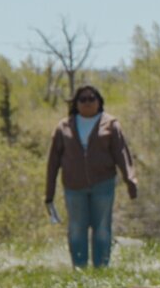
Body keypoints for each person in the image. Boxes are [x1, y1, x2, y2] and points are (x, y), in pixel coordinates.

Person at [44, 85, 139, 269]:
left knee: (102, 229)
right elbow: (53, 161)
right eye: (83, 99)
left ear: (99, 101)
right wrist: (49, 192)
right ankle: (79, 269)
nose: (87, 102)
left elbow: (122, 153)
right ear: (76, 104)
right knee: (77, 229)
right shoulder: (64, 127)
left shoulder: (111, 124)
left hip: (103, 184)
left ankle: (101, 268)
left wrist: (130, 179)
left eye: (91, 98)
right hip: (74, 186)